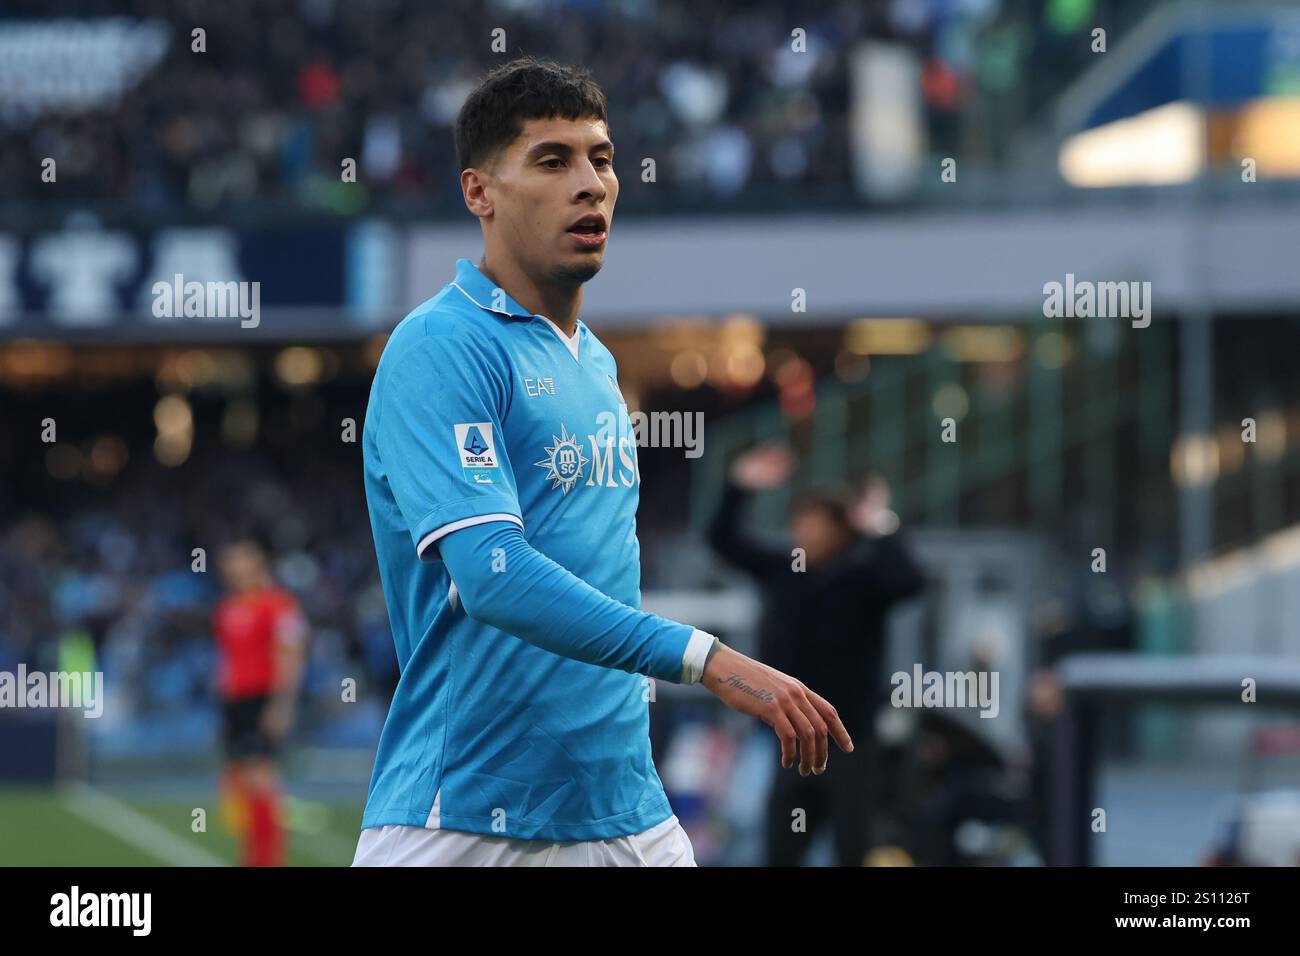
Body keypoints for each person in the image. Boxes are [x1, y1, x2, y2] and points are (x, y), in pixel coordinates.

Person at [352, 57, 853, 867]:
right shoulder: (440, 347)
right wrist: (706, 659)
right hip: (472, 813)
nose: (590, 183)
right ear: (479, 192)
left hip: (624, 811)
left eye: (601, 157)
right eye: (552, 161)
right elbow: (494, 574)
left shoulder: (595, 363)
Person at [709, 444, 926, 865]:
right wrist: (739, 487)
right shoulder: (783, 571)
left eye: (816, 523)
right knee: (782, 845)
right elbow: (723, 541)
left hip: (851, 738)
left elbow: (909, 582)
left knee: (852, 844)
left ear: (842, 529)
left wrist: (880, 524)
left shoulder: (864, 576)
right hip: (789, 733)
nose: (803, 532)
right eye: (798, 522)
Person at [213, 538, 307, 867]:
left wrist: (282, 705)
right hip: (234, 702)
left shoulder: (278, 604)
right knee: (239, 782)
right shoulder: (228, 607)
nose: (232, 566)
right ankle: (251, 854)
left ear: (257, 562)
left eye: (239, 558)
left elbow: (291, 654)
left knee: (262, 778)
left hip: (261, 699)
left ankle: (269, 859)